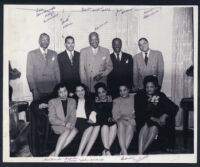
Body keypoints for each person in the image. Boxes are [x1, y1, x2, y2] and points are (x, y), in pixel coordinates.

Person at [134, 75, 178, 154]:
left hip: (155, 123)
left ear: (156, 87)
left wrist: (164, 115)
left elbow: (174, 107)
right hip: (143, 119)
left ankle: (142, 152)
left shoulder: (160, 95)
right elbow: (139, 112)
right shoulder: (139, 96)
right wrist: (155, 119)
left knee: (154, 126)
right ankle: (141, 152)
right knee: (145, 125)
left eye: (151, 87)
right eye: (147, 87)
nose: (149, 89)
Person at [26, 33, 60, 100]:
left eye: (47, 40)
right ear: (39, 41)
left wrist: (59, 88)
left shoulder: (54, 54)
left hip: (53, 89)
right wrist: (34, 89)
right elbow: (29, 74)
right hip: (38, 90)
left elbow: (57, 72)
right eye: (43, 40)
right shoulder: (32, 54)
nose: (45, 42)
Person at [48, 83, 77, 156]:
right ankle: (56, 156)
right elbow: (52, 119)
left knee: (75, 130)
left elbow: (73, 116)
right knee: (67, 131)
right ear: (57, 93)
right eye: (60, 92)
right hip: (57, 124)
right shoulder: (52, 102)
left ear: (67, 90)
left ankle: (54, 153)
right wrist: (65, 124)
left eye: (65, 91)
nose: (63, 93)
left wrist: (71, 124)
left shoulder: (72, 101)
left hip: (68, 124)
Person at [112, 83, 136, 155]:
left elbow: (136, 112)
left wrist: (131, 118)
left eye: (124, 90)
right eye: (120, 91)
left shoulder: (134, 98)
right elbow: (115, 115)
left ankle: (122, 151)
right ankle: (124, 151)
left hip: (131, 121)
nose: (122, 92)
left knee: (130, 126)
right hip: (120, 120)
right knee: (121, 123)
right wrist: (124, 117)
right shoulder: (116, 100)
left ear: (128, 90)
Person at [94, 82, 117, 155]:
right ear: (97, 94)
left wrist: (112, 117)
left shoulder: (111, 98)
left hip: (110, 119)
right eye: (99, 93)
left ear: (106, 91)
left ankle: (106, 150)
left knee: (114, 125)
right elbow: (98, 114)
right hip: (100, 120)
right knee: (105, 126)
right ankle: (107, 150)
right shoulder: (95, 100)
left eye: (103, 92)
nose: (102, 94)